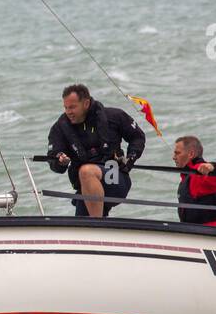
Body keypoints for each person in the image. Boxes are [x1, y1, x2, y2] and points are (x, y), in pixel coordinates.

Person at [47, 83, 146, 217]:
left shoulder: (114, 116)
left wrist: (130, 157)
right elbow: (53, 160)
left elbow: (138, 137)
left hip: (115, 178)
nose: (68, 112)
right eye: (65, 107)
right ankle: (97, 230)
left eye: (72, 107)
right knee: (79, 230)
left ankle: (97, 226)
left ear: (86, 103)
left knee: (87, 171)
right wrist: (60, 161)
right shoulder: (60, 128)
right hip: (85, 188)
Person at [172, 135, 216, 228]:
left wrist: (213, 166)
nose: (173, 157)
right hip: (199, 231)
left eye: (177, 153)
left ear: (191, 154)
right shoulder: (188, 175)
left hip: (211, 231)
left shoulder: (199, 172)